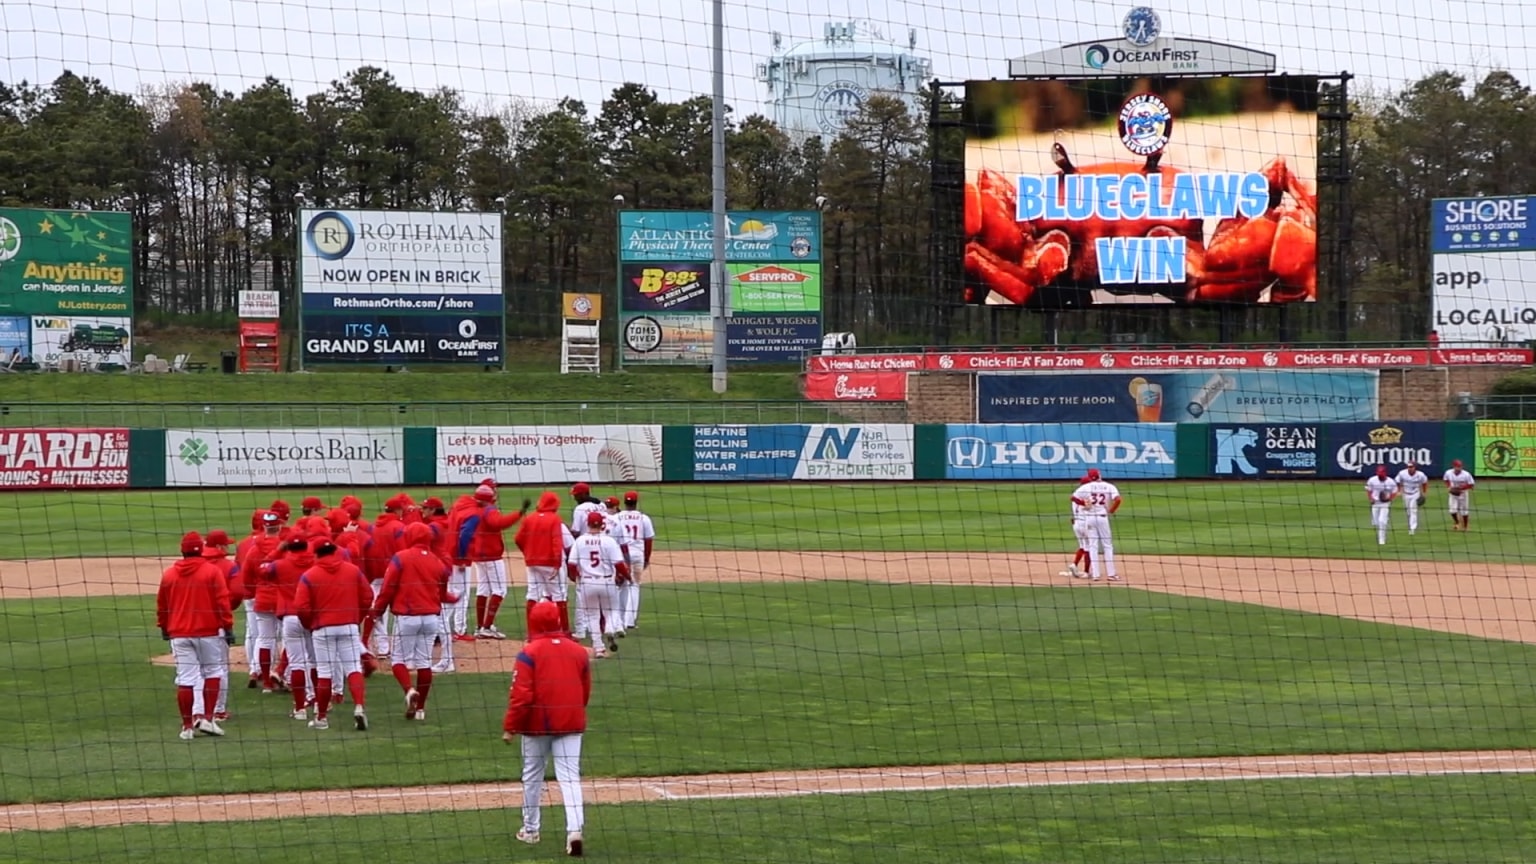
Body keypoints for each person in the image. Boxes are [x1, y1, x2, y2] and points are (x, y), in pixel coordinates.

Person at [504, 599, 592, 857]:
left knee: (532, 776)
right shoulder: (578, 651)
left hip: (536, 725)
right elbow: (584, 691)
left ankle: (531, 830)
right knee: (570, 777)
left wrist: (510, 727)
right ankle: (574, 830)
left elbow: (521, 696)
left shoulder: (529, 652)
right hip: (571, 722)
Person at [371, 523, 455, 721]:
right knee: (424, 663)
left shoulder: (401, 557)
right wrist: (453, 598)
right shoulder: (437, 561)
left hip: (407, 617)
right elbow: (443, 593)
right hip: (431, 619)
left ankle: (409, 691)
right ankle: (421, 710)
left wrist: (378, 610)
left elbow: (388, 588)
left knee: (398, 661)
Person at [156, 532, 233, 740]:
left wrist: (164, 627)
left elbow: (162, 606)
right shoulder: (212, 571)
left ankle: (187, 727)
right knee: (213, 672)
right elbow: (222, 602)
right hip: (207, 631)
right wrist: (227, 626)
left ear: (182, 550)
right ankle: (208, 718)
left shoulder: (169, 574)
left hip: (179, 633)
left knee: (186, 679)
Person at [292, 540, 374, 732]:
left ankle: (321, 717)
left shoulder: (309, 575)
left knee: (324, 673)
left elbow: (301, 607)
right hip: (349, 626)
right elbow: (368, 596)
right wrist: (356, 618)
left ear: (316, 553)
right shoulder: (352, 570)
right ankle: (359, 707)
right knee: (353, 668)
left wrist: (310, 624)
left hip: (323, 629)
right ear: (335, 551)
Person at [261, 538, 319, 721]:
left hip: (290, 618)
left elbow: (262, 570)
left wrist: (277, 551)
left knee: (296, 663)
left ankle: (300, 709)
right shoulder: (316, 563)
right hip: (312, 616)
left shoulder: (279, 565)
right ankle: (319, 703)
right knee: (316, 662)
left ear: (289, 548)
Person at [465, 484, 530, 640]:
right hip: (491, 555)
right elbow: (499, 523)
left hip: (479, 555)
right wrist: (519, 513)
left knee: (483, 590)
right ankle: (486, 627)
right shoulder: (489, 510)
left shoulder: (475, 509)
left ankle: (480, 627)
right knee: (500, 590)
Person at [194, 530, 243, 722]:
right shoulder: (228, 566)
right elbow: (237, 592)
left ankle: (197, 710)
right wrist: (227, 611)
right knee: (218, 668)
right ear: (220, 547)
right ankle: (218, 710)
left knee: (195, 669)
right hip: (216, 624)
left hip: (190, 623)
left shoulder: (196, 564)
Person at [568, 510, 630, 657]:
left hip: (587, 583)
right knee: (612, 610)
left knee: (592, 616)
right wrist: (627, 576)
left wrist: (575, 578)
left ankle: (599, 648)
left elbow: (571, 564)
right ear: (602, 525)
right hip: (607, 581)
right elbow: (619, 564)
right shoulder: (609, 541)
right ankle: (609, 628)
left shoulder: (580, 541)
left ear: (587, 523)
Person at [516, 491, 577, 635]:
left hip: (532, 562)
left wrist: (528, 553)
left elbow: (518, 538)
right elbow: (556, 541)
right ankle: (564, 632)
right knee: (559, 595)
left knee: (532, 595)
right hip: (549, 563)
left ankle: (532, 633)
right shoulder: (554, 519)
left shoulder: (529, 518)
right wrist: (557, 563)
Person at [242, 511, 286, 691]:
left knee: (264, 639)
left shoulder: (253, 549)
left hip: (262, 599)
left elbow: (246, 577)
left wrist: (257, 591)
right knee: (288, 638)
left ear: (264, 527)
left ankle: (266, 682)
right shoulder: (284, 548)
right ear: (280, 526)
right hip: (282, 599)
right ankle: (283, 673)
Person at [609, 491, 655, 631]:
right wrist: (646, 558)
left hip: (620, 554)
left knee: (619, 586)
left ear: (624, 502)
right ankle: (630, 621)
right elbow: (648, 540)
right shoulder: (644, 518)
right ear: (636, 502)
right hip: (637, 554)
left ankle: (618, 620)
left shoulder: (616, 517)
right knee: (634, 586)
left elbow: (612, 538)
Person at [1070, 469, 1122, 581]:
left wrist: (1083, 503)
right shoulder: (1109, 486)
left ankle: (1096, 575)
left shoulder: (1086, 487)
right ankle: (1111, 574)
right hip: (1102, 518)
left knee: (1093, 546)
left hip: (1089, 519)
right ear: (1099, 475)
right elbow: (1118, 500)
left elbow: (1073, 497)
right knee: (1107, 545)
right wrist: (1111, 510)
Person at [1364, 465, 1398, 545]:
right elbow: (1369, 490)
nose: (1380, 475)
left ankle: (1382, 540)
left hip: (1385, 504)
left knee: (1382, 521)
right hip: (1375, 503)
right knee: (1375, 522)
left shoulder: (1390, 482)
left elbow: (1395, 492)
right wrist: (1371, 498)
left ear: (1385, 473)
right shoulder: (1372, 480)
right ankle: (1385, 519)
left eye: (1381, 473)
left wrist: (1389, 499)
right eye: (1378, 473)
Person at [1394, 460, 1431, 535]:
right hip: (1406, 494)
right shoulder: (1402, 473)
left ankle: (1412, 528)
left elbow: (1425, 483)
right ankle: (1411, 525)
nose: (1410, 468)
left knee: (1413, 510)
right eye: (1408, 467)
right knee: (1408, 512)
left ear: (1415, 467)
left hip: (1415, 494)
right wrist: (1399, 491)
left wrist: (1424, 493)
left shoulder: (1420, 475)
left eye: (1411, 467)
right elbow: (1397, 481)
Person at [1443, 458, 1476, 531]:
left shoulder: (1466, 474)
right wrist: (1448, 487)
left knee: (1464, 511)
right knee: (1452, 510)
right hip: (1453, 493)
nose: (1459, 468)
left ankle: (1465, 527)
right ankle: (1457, 522)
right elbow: (1446, 479)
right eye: (1457, 466)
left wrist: (1461, 488)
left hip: (1463, 494)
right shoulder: (1448, 472)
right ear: (1454, 466)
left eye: (1460, 466)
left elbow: (1471, 484)